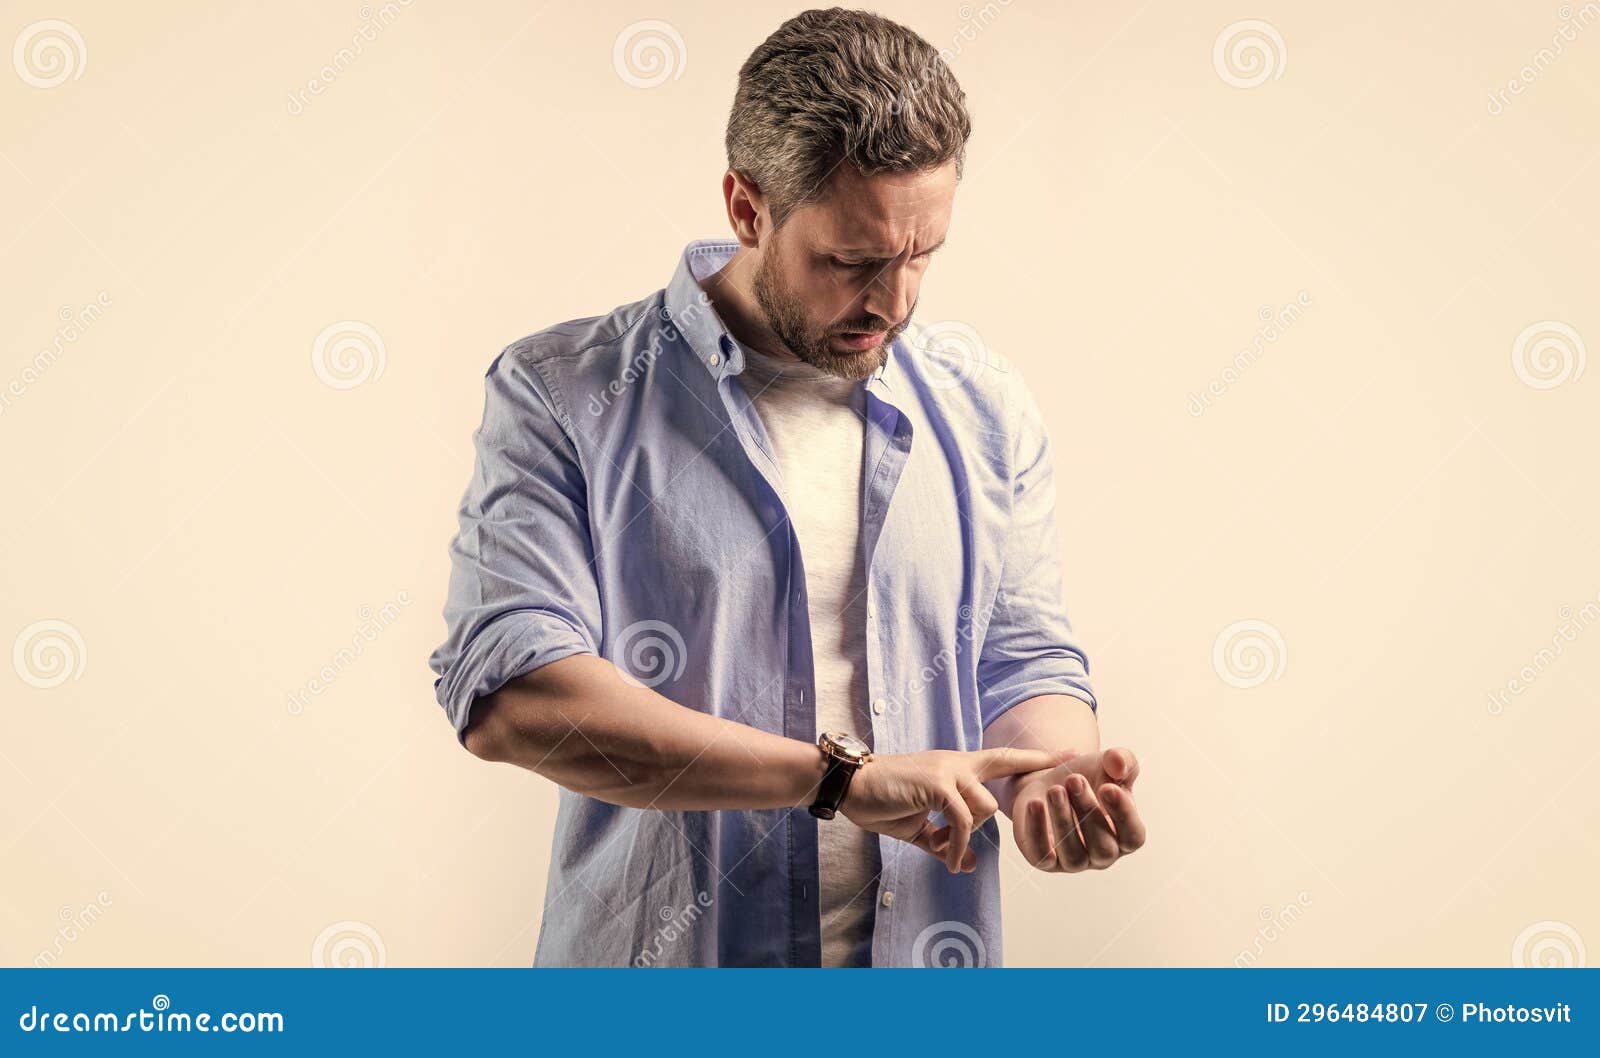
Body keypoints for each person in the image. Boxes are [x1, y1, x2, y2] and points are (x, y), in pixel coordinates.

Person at [429, 7, 1145, 968]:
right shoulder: (565, 394)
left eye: (920, 255)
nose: (893, 302)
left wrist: (1052, 774)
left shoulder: (985, 407)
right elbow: (514, 695)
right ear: (746, 207)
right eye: (851, 262)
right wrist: (839, 781)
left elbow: (1020, 655)